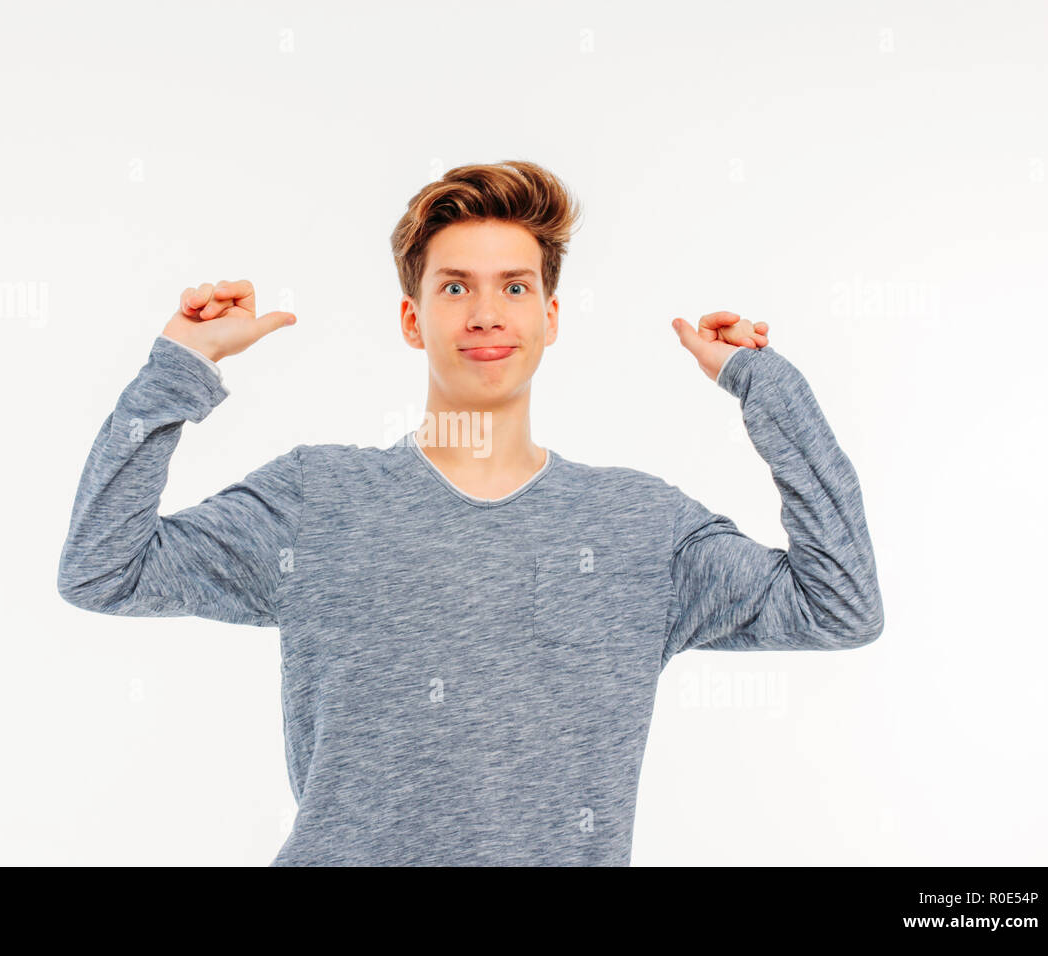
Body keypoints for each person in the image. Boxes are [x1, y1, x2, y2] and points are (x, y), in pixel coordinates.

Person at [56, 160, 883, 866]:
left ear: (549, 318)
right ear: (414, 320)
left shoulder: (640, 529)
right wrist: (180, 367)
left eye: (513, 287)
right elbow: (103, 569)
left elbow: (840, 607)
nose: (486, 312)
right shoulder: (318, 503)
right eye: (456, 287)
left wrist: (765, 386)